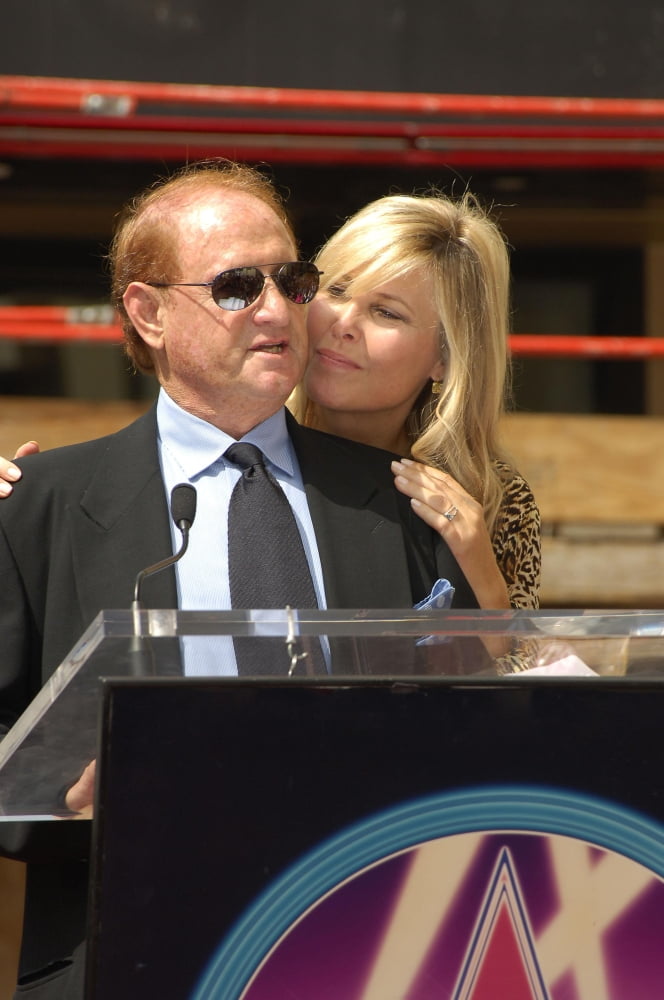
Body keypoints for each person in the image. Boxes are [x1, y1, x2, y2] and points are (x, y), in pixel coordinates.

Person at [0, 160, 478, 1000]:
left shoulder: (403, 502)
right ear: (147, 312)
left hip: (362, 949)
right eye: (235, 286)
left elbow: (479, 738)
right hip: (130, 951)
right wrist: (62, 797)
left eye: (291, 281)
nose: (275, 309)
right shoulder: (37, 506)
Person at [0, 191, 540, 613]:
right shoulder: (87, 486)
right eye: (335, 290)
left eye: (388, 313)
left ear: (445, 358)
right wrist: (30, 517)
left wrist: (481, 583)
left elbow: (503, 700)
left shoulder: (472, 504)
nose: (343, 325)